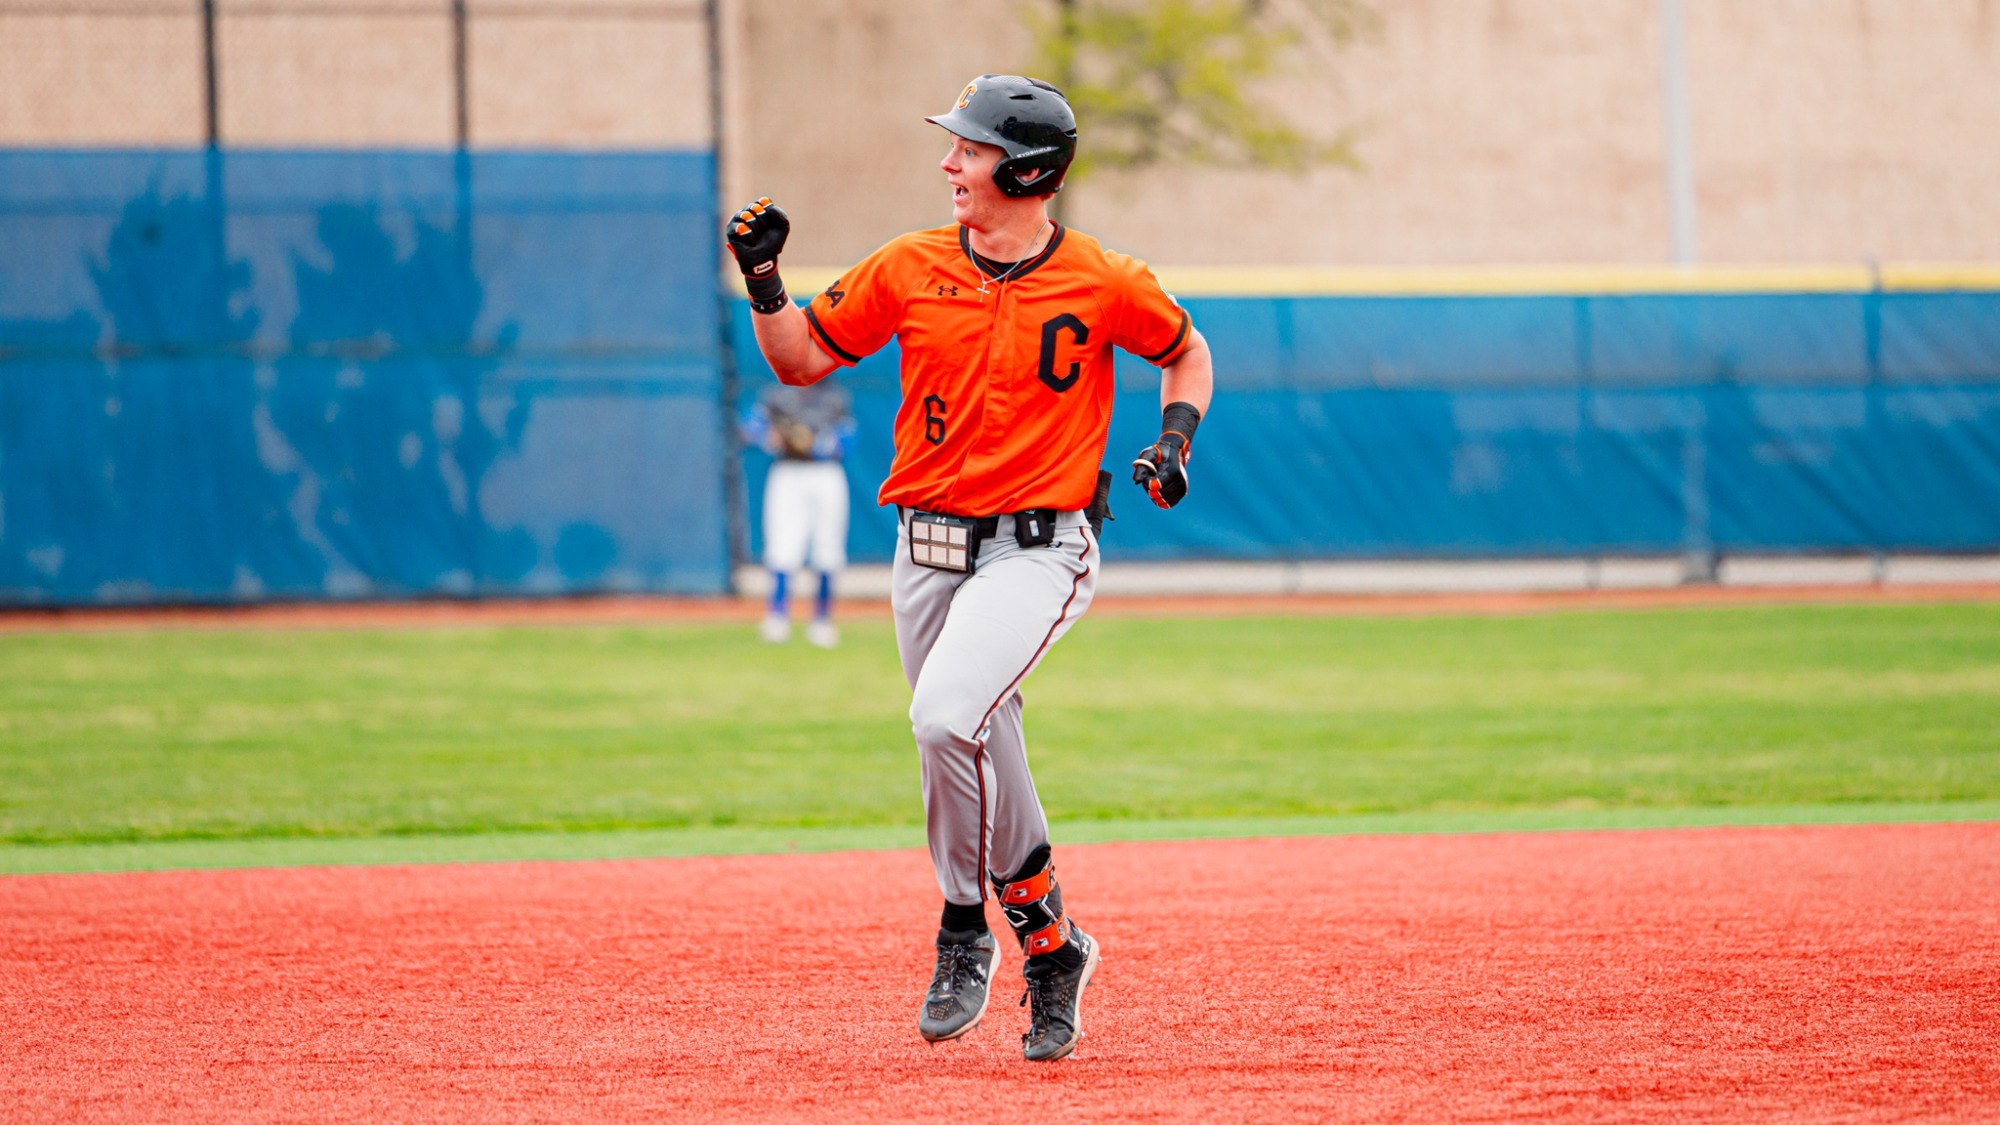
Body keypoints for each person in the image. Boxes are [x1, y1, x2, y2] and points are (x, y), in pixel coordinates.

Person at [724, 74, 1213, 1062]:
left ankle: (961, 931)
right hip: (926, 549)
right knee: (981, 745)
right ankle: (1052, 947)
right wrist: (765, 281)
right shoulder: (909, 264)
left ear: (1024, 169)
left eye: (970, 148)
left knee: (945, 717)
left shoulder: (1103, 278)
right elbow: (798, 362)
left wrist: (1173, 441)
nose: (950, 162)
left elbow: (1184, 349)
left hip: (1041, 548)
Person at [742, 379, 855, 647]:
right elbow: (748, 429)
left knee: (828, 547)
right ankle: (778, 617)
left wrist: (816, 444)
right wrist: (771, 437)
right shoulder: (778, 396)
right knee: (783, 544)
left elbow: (847, 441)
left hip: (825, 473)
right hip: (788, 472)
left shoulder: (835, 396)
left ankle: (822, 620)